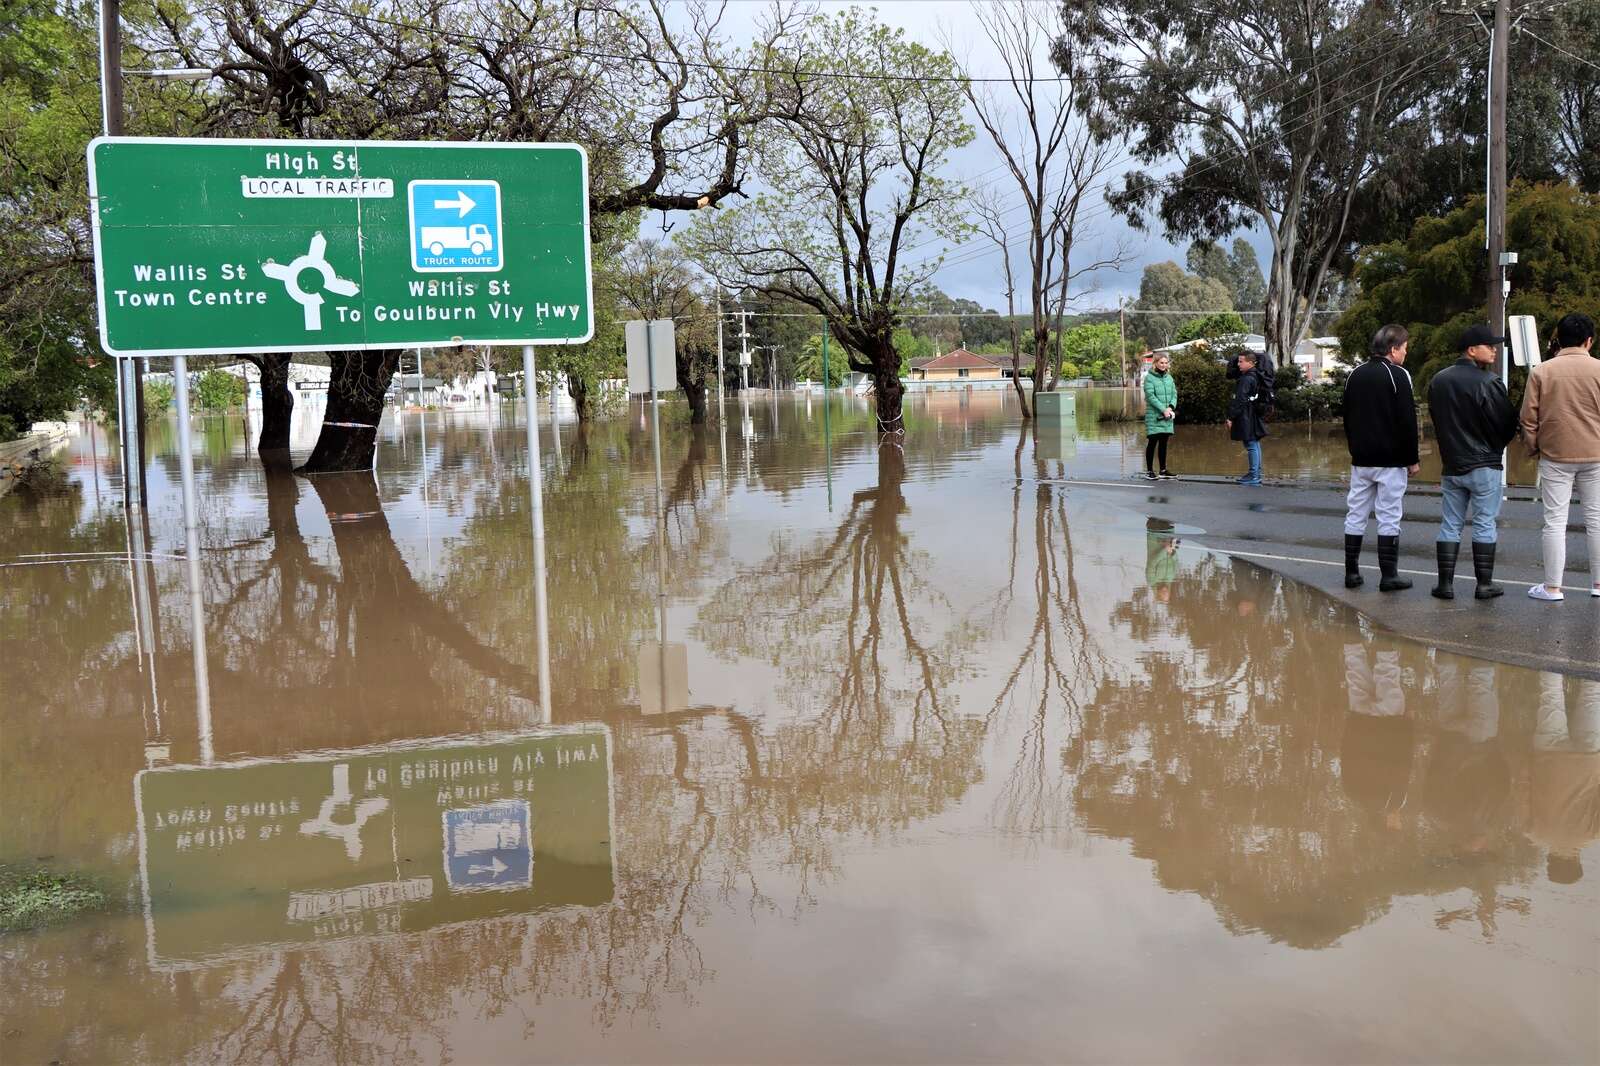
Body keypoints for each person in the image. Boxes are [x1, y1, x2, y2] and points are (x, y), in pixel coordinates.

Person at [1427, 324, 1521, 600]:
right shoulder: (1488, 382)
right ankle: (1484, 584)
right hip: (1484, 464)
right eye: (1488, 345)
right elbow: (1506, 423)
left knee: (1450, 523)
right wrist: (1494, 447)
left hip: (1452, 464)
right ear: (1472, 350)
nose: (1494, 350)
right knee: (1484, 523)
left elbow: (1438, 422)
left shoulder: (1438, 380)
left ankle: (1445, 585)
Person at [1520, 312, 1600, 602]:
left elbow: (1528, 417)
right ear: (1588, 341)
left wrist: (1533, 447)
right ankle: (1598, 584)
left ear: (1559, 339)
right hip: (1596, 453)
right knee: (1596, 519)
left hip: (1555, 455)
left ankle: (1552, 587)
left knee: (1554, 521)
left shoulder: (1542, 371)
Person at [1342, 324, 1420, 592]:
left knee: (1356, 514)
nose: (1406, 353)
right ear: (1393, 349)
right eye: (1405, 348)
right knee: (1389, 515)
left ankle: (1351, 573)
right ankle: (1389, 576)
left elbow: (1347, 417)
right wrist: (1412, 458)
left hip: (1361, 459)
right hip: (1391, 460)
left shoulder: (1355, 374)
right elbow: (1407, 419)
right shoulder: (1399, 375)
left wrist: (1355, 448)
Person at [1225, 350, 1267, 486]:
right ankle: (1256, 473)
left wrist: (1231, 417)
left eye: (1241, 361)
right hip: (1253, 413)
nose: (1238, 364)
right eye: (1238, 361)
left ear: (1250, 362)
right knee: (1254, 443)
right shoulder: (1257, 375)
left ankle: (1254, 474)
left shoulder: (1247, 378)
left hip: (1246, 415)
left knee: (1250, 444)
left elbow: (1240, 400)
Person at [1142, 354, 1178, 480]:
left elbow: (1174, 393)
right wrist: (1163, 410)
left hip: (1167, 416)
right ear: (1155, 363)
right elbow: (1150, 397)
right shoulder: (1149, 378)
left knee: (1164, 442)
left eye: (1166, 363)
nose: (1164, 365)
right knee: (1153, 442)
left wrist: (1170, 407)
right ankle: (1149, 471)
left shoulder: (1169, 378)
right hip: (1154, 416)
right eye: (1161, 362)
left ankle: (1163, 470)